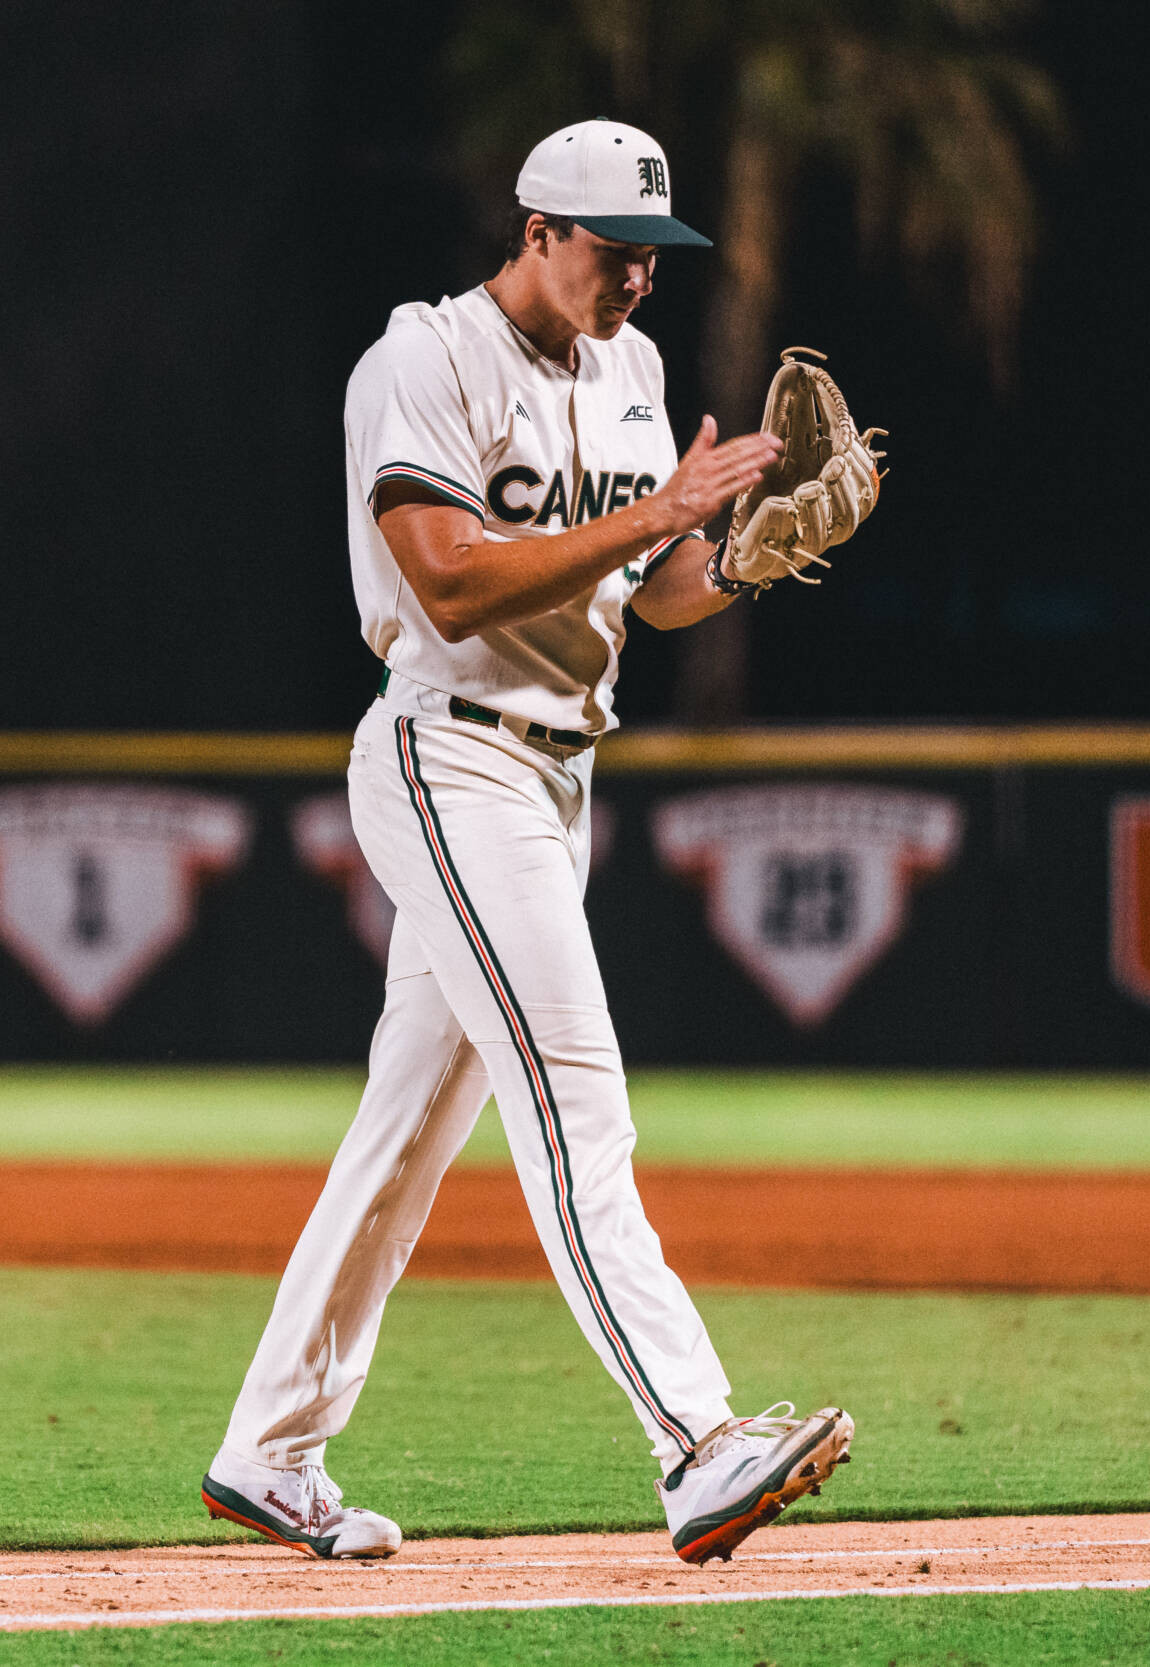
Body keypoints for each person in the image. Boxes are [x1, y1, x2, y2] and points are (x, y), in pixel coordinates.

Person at [200, 120, 867, 1567]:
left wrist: (738, 553)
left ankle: (269, 1446)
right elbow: (442, 584)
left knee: (408, 1134)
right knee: (575, 1097)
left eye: (653, 255)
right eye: (614, 251)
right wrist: (662, 508)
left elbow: (648, 589)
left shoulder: (628, 371)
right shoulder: (424, 361)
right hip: (448, 754)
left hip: (558, 776)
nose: (640, 278)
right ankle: (697, 1443)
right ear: (536, 231)